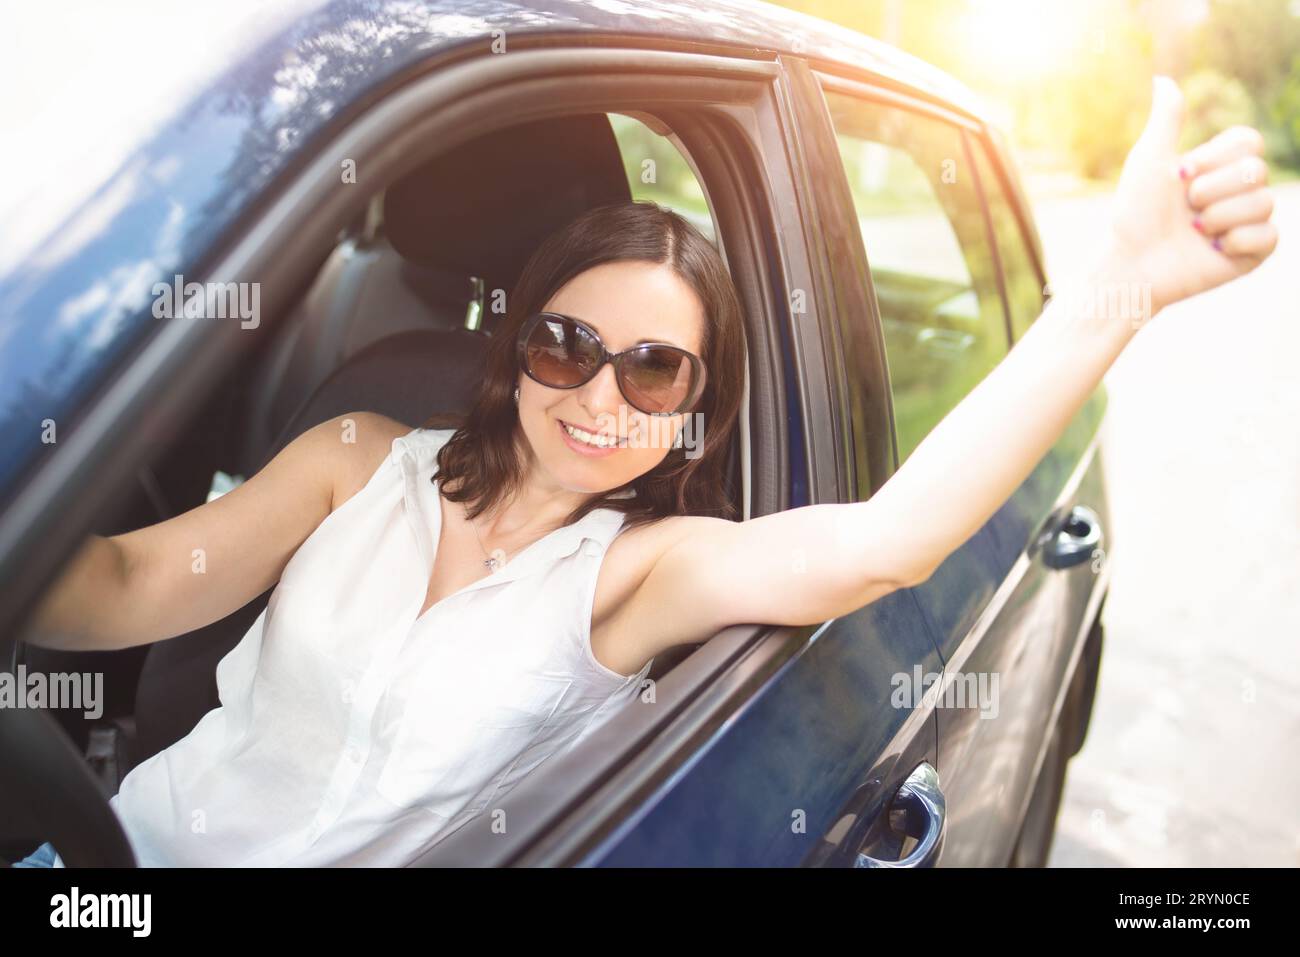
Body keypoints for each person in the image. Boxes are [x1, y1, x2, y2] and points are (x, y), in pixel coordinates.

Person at [14, 77, 1278, 866]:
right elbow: (126, 584)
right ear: (511, 353)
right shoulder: (358, 458)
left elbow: (890, 541)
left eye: (655, 371)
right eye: (565, 345)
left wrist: (1120, 290)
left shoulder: (637, 576)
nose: (600, 394)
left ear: (691, 417)